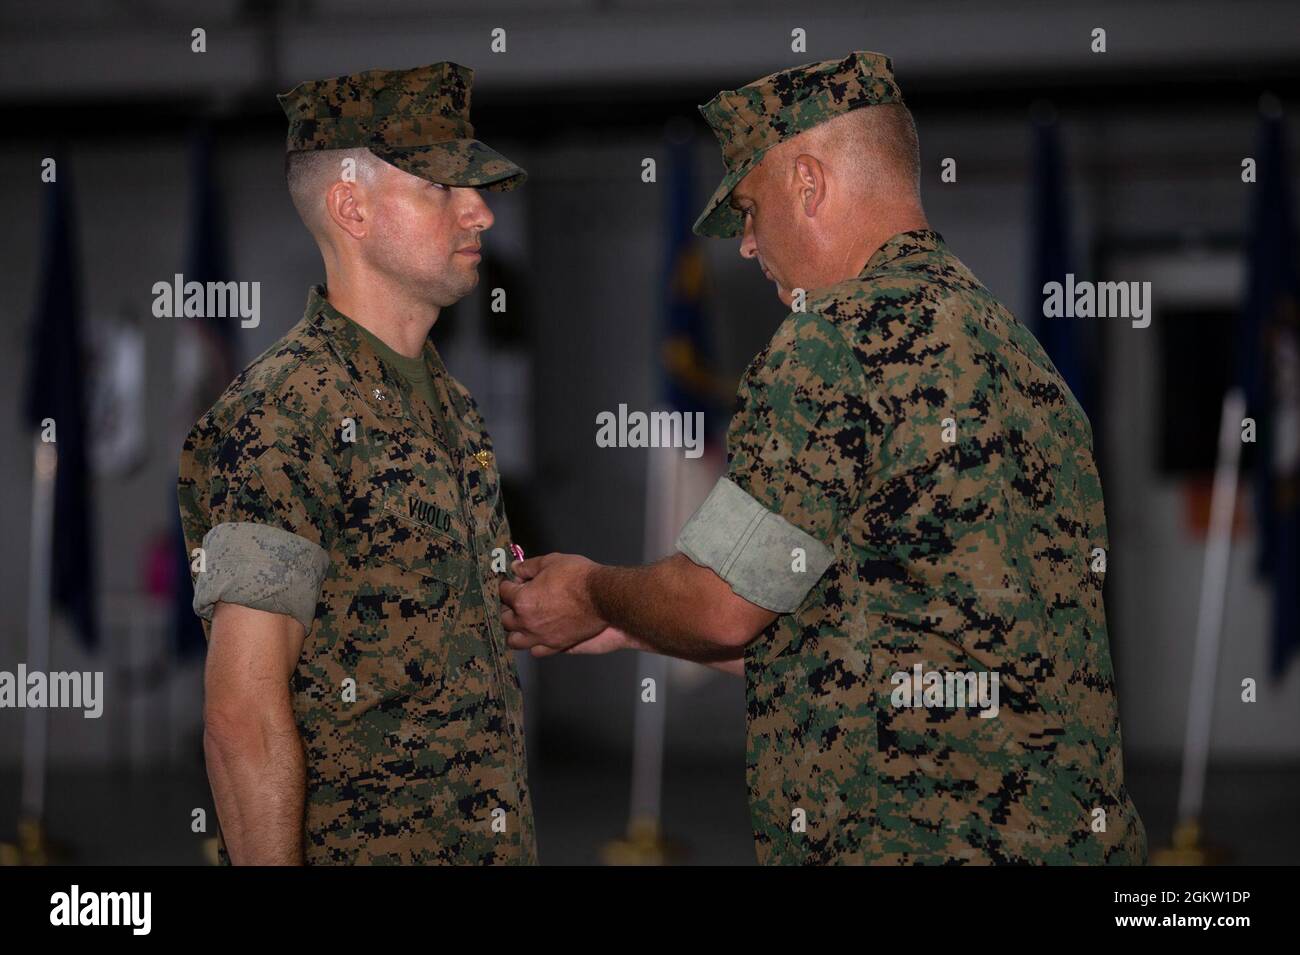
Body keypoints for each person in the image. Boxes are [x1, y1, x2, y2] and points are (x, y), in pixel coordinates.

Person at [501, 51, 1148, 865]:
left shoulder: (830, 341)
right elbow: (882, 627)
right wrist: (627, 625)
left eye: (748, 208)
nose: (745, 245)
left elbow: (721, 605)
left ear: (807, 184)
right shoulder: (1020, 355)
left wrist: (591, 588)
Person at [178, 62, 540, 864]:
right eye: (443, 188)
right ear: (352, 207)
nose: (479, 209)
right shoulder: (286, 410)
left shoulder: (452, 408)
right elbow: (243, 712)